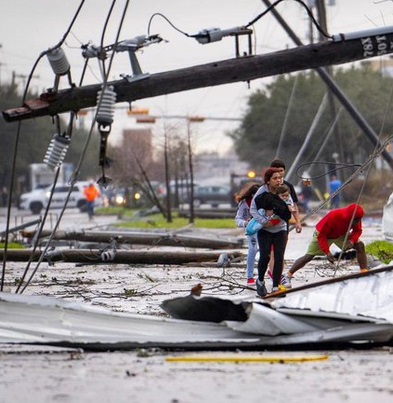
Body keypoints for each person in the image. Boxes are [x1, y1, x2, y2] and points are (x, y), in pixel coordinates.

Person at [282, 203, 368, 289]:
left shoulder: (356, 218)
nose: (357, 222)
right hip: (323, 235)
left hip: (340, 234)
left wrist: (352, 240)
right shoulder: (333, 216)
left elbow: (358, 231)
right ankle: (287, 275)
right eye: (355, 221)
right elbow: (321, 236)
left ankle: (363, 272)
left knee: (360, 245)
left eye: (358, 220)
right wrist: (327, 252)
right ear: (349, 217)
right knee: (308, 256)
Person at [252, 168, 292, 297]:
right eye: (275, 178)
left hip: (280, 229)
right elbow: (253, 210)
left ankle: (276, 286)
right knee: (265, 256)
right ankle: (260, 281)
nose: (278, 180)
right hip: (265, 230)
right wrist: (264, 221)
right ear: (268, 181)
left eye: (280, 178)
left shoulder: (283, 190)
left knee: (279, 257)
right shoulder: (262, 192)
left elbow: (289, 205)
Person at [234, 182, 261, 285]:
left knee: (265, 252)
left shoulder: (263, 202)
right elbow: (237, 219)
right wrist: (246, 223)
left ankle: (263, 275)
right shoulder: (244, 203)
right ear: (252, 195)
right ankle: (249, 277)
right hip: (251, 231)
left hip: (263, 230)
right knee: (252, 250)